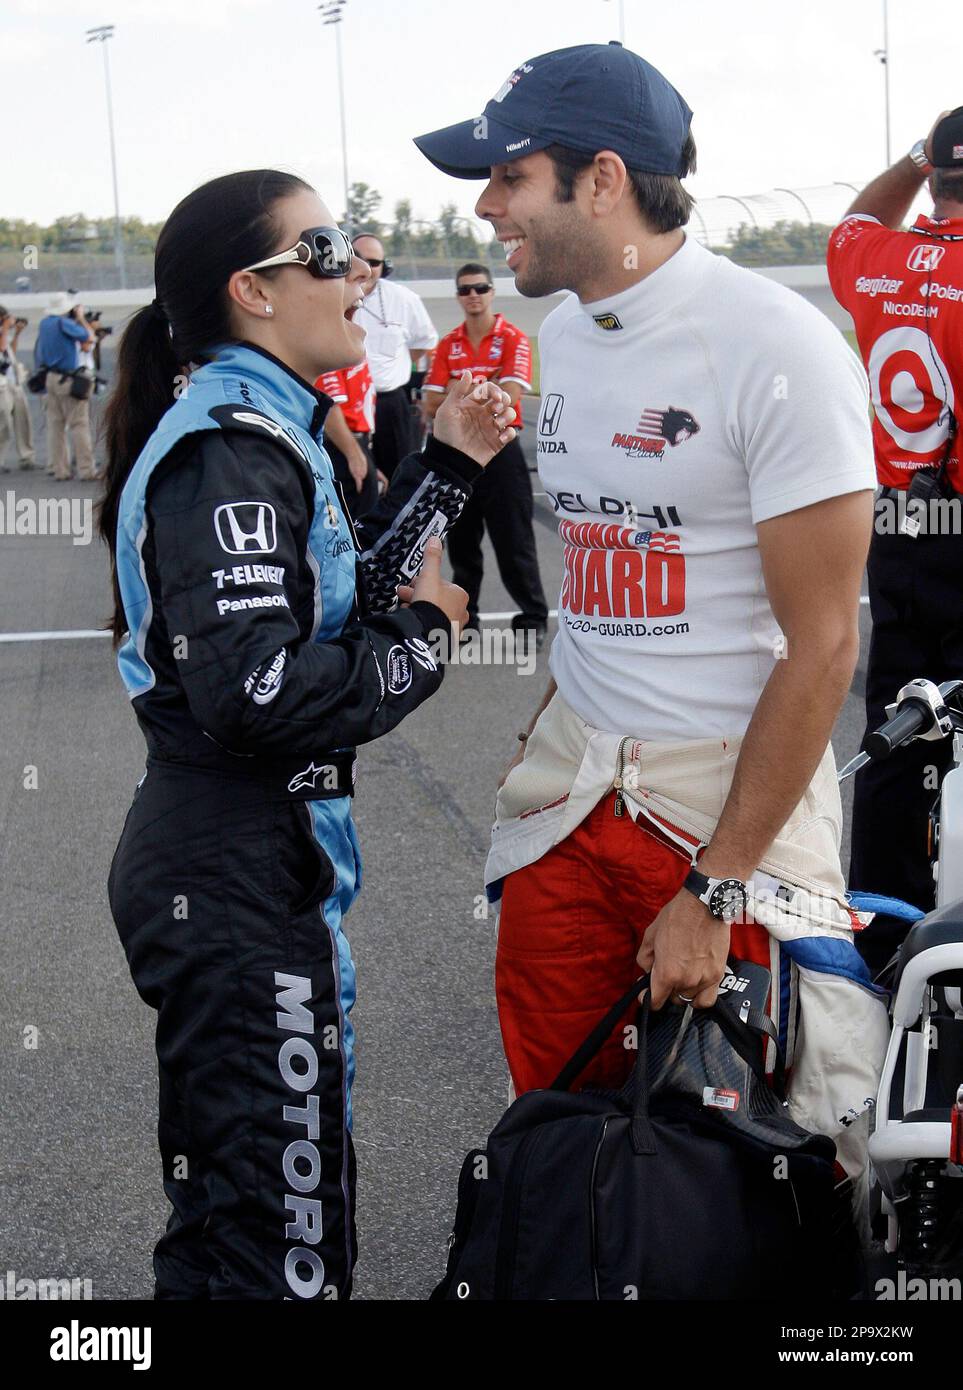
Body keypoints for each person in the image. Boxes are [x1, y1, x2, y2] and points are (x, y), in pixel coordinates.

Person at [415, 43, 889, 1185]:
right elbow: (602, 567)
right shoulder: (565, 340)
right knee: (564, 1140)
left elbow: (825, 644)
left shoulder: (775, 347)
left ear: (605, 180)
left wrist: (715, 886)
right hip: (570, 802)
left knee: (766, 1161)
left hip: (726, 817)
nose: (485, 207)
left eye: (510, 177)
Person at [99, 169, 516, 1300]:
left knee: (284, 1212)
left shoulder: (270, 422)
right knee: (268, 1243)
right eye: (327, 249)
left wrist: (451, 471)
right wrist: (429, 637)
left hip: (263, 860)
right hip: (227, 862)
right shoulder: (226, 446)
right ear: (255, 289)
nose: (360, 271)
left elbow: (340, 602)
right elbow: (261, 691)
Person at [827, 108, 963, 922]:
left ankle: (878, 919)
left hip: (896, 525)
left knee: (898, 720)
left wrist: (916, 152)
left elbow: (854, 218)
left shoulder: (873, 254)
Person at [423, 264, 549, 647]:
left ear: (492, 292)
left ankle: (532, 619)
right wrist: (486, 386)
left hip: (502, 452)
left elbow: (510, 397)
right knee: (461, 545)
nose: (473, 294)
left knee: (514, 542)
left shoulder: (513, 338)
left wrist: (459, 394)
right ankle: (466, 618)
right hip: (458, 455)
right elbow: (430, 402)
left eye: (480, 287)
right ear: (459, 296)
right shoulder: (448, 344)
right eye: (465, 290)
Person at [352, 233, 438, 479]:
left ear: (384, 266)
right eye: (359, 258)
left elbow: (424, 342)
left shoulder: (404, 298)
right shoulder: (329, 296)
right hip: (346, 406)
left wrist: (396, 367)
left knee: (400, 476)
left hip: (389, 402)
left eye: (374, 262)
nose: (366, 268)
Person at [34, 292, 97, 481]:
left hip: (50, 377)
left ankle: (61, 469)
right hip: (68, 378)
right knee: (79, 424)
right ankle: (86, 470)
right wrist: (80, 318)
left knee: (56, 425)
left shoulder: (44, 324)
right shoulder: (64, 324)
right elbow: (88, 336)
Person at [316, 357, 380, 517]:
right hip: (341, 447)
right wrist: (355, 456)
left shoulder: (352, 343)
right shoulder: (331, 345)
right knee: (356, 521)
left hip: (357, 442)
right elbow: (330, 407)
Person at [0, 307, 35, 470]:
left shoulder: (3, 333)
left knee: (23, 420)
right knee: (3, 423)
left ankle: (26, 456)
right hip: (2, 386)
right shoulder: (3, 331)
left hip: (14, 382)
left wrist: (17, 333)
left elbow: (9, 351)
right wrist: (6, 328)